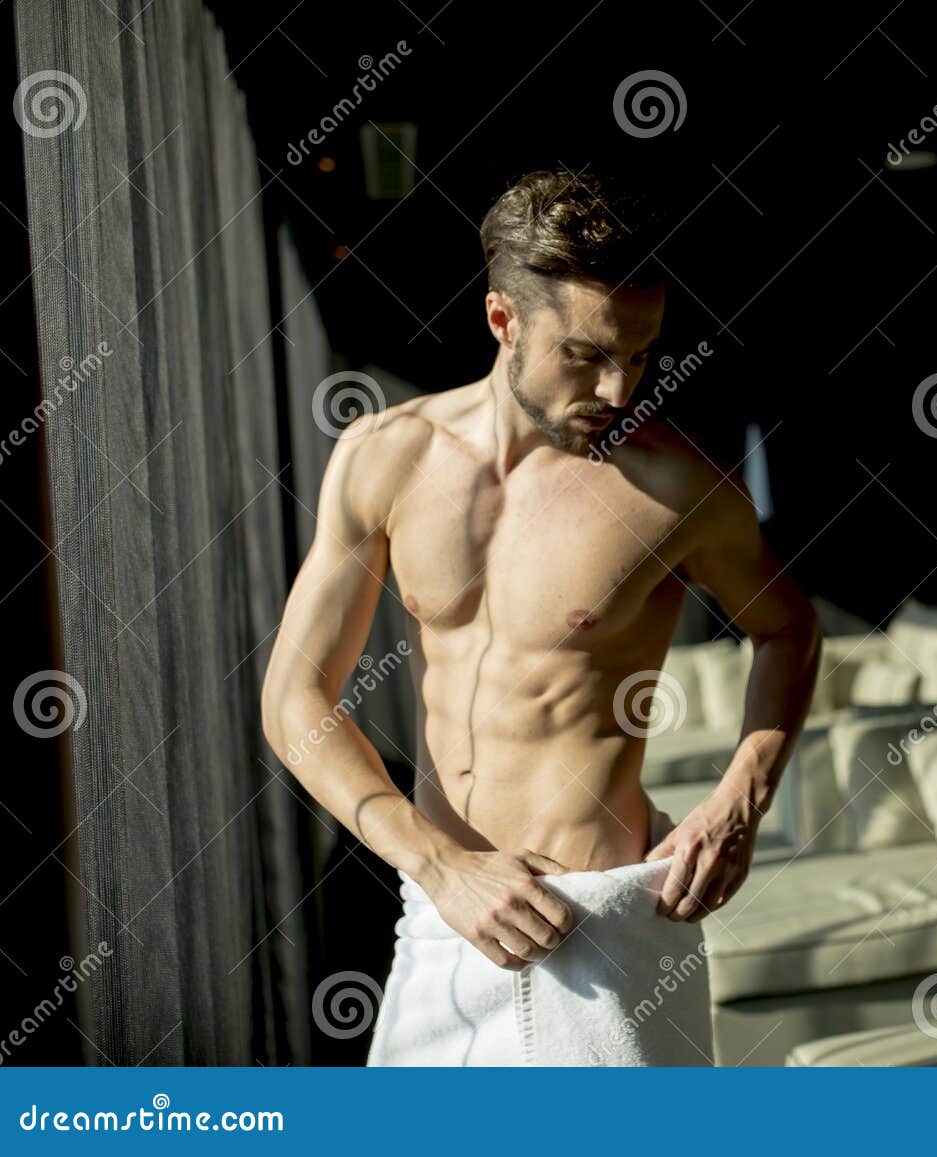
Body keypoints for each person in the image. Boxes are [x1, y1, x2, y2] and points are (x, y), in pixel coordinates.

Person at [260, 169, 820, 1062]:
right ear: (503, 321)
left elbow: (788, 630)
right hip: (445, 920)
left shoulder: (679, 488)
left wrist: (740, 802)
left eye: (640, 355)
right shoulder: (386, 458)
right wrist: (436, 864)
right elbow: (296, 697)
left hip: (611, 927)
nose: (618, 388)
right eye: (588, 354)